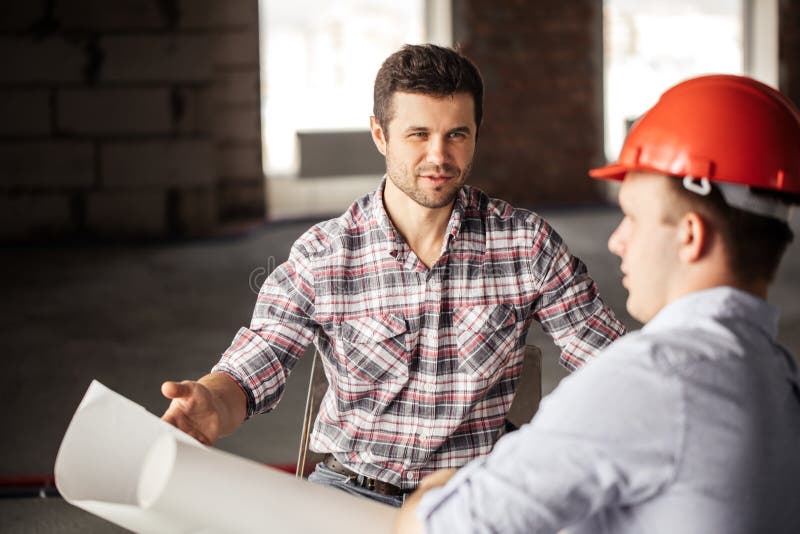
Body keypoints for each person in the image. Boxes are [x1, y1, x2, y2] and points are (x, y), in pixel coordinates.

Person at [160, 44, 624, 507]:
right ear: (380, 135)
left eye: (456, 135)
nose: (439, 156)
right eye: (418, 134)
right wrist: (213, 402)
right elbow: (256, 362)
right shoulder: (324, 254)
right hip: (350, 490)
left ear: (477, 134)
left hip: (472, 495)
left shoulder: (525, 244)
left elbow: (610, 360)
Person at [395, 73, 800, 532]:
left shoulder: (650, 379)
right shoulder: (780, 380)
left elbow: (445, 526)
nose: (616, 241)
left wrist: (436, 491)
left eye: (632, 216)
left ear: (691, 236)